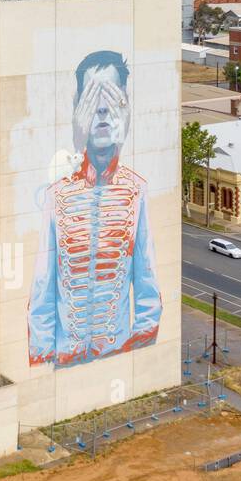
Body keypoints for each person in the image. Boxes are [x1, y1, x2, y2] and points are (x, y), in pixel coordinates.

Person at [28, 50, 162, 368]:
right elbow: (42, 291)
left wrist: (134, 356)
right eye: (91, 98)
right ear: (78, 109)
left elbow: (147, 286)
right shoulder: (56, 195)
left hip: (116, 357)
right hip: (62, 359)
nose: (101, 108)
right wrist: (45, 366)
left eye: (111, 97)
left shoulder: (137, 191)